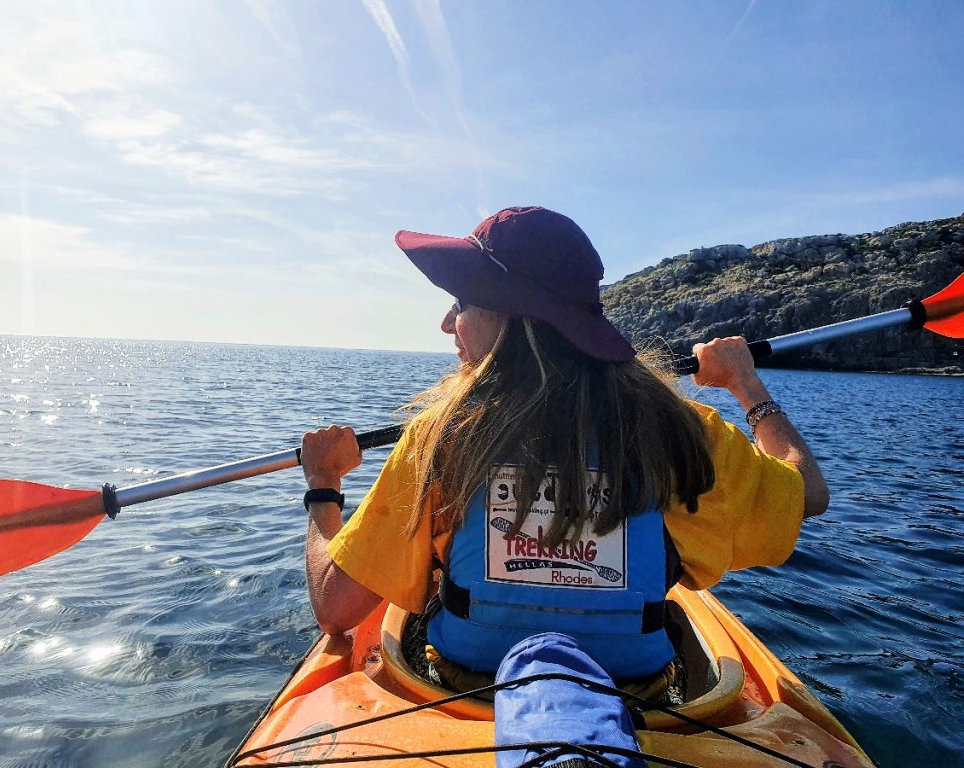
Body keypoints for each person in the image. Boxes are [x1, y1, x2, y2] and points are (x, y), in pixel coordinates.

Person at [301, 206, 828, 689]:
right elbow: (806, 493)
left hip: (469, 688)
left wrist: (323, 485)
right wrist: (746, 386)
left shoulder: (441, 437)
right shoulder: (685, 433)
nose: (446, 323)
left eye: (461, 303)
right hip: (634, 693)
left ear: (511, 318)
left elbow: (336, 607)